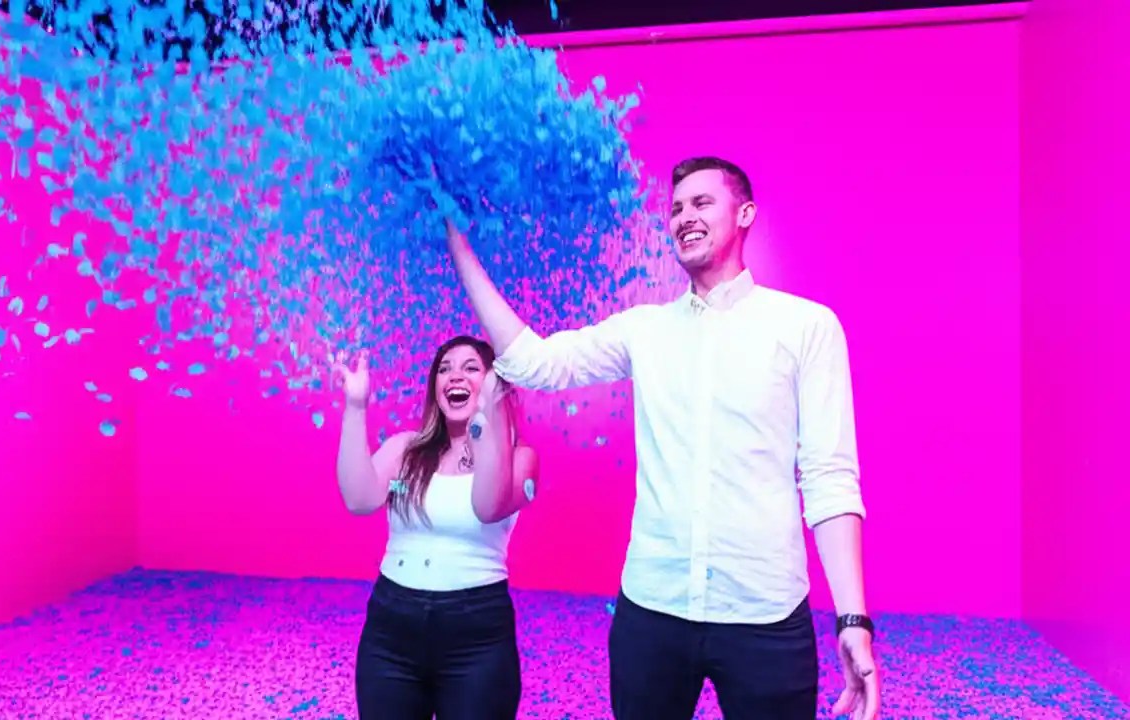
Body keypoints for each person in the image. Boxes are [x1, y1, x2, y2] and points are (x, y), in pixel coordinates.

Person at [443, 156, 879, 720]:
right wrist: (459, 249)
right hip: (652, 613)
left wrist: (853, 620)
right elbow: (534, 364)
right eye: (675, 208)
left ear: (745, 214)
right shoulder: (643, 330)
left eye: (701, 203)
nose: (683, 217)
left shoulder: (806, 327)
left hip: (765, 616)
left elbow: (829, 478)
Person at [332, 335, 540, 720]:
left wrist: (488, 419)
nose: (453, 376)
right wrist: (355, 407)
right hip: (391, 628)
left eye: (470, 368)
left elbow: (488, 505)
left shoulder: (520, 458)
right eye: (444, 369)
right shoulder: (406, 449)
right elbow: (359, 500)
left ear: (496, 383)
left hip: (476, 633)